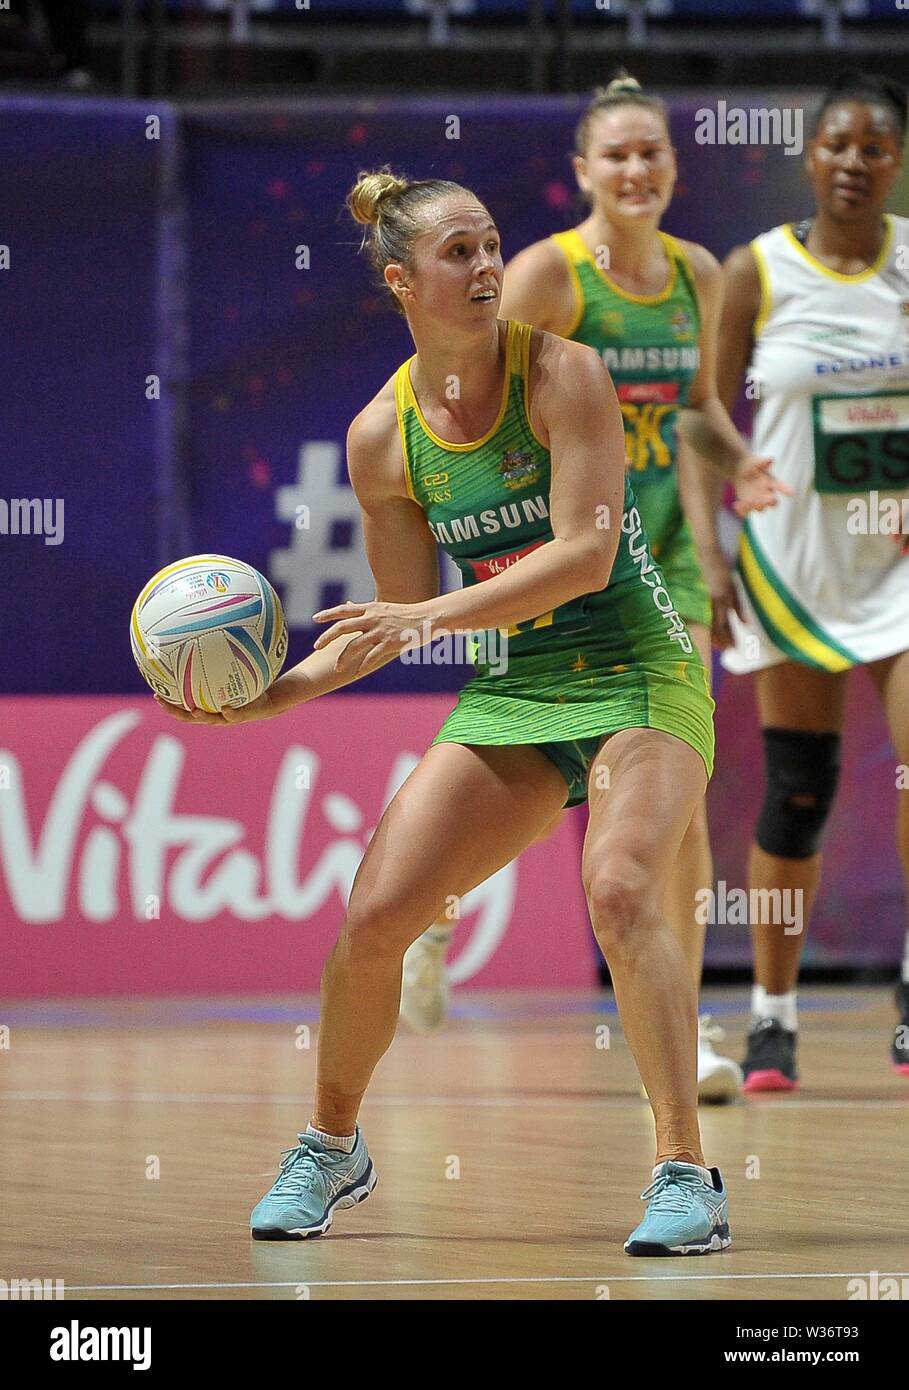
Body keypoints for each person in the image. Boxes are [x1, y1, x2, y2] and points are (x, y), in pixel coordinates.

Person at [158, 167, 742, 1254]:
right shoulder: (381, 439)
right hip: (519, 687)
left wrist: (423, 621)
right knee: (376, 917)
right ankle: (332, 1145)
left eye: (490, 247)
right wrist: (262, 702)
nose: (485, 269)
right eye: (457, 254)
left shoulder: (565, 374)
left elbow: (584, 554)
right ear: (400, 280)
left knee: (617, 887)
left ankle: (686, 1171)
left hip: (638, 669)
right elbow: (385, 623)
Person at [401, 74, 788, 1105]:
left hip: (661, 570)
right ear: (583, 172)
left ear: (673, 165)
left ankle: (690, 1019)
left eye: (651, 153)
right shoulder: (547, 277)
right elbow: (478, 411)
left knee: (679, 802)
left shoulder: (699, 273)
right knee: (535, 798)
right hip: (562, 565)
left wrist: (733, 479)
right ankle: (434, 914)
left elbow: (698, 409)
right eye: (615, 155)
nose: (636, 170)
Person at [699, 70, 909, 1089]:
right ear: (811, 155)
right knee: (798, 792)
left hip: (899, 560)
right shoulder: (758, 270)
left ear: (896, 162)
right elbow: (702, 414)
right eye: (837, 144)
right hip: (791, 565)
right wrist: (708, 542)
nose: (853, 163)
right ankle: (773, 1018)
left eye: (875, 147)